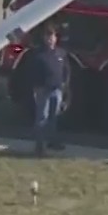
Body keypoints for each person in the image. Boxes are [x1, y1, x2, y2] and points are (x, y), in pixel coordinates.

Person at [25, 25, 69, 156]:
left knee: (53, 117)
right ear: (44, 38)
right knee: (41, 118)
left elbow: (66, 69)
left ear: (56, 38)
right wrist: (36, 87)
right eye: (48, 37)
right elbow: (32, 72)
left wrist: (64, 85)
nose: (50, 39)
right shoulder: (38, 54)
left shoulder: (61, 53)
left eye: (52, 36)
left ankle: (53, 142)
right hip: (43, 90)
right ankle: (39, 146)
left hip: (57, 90)